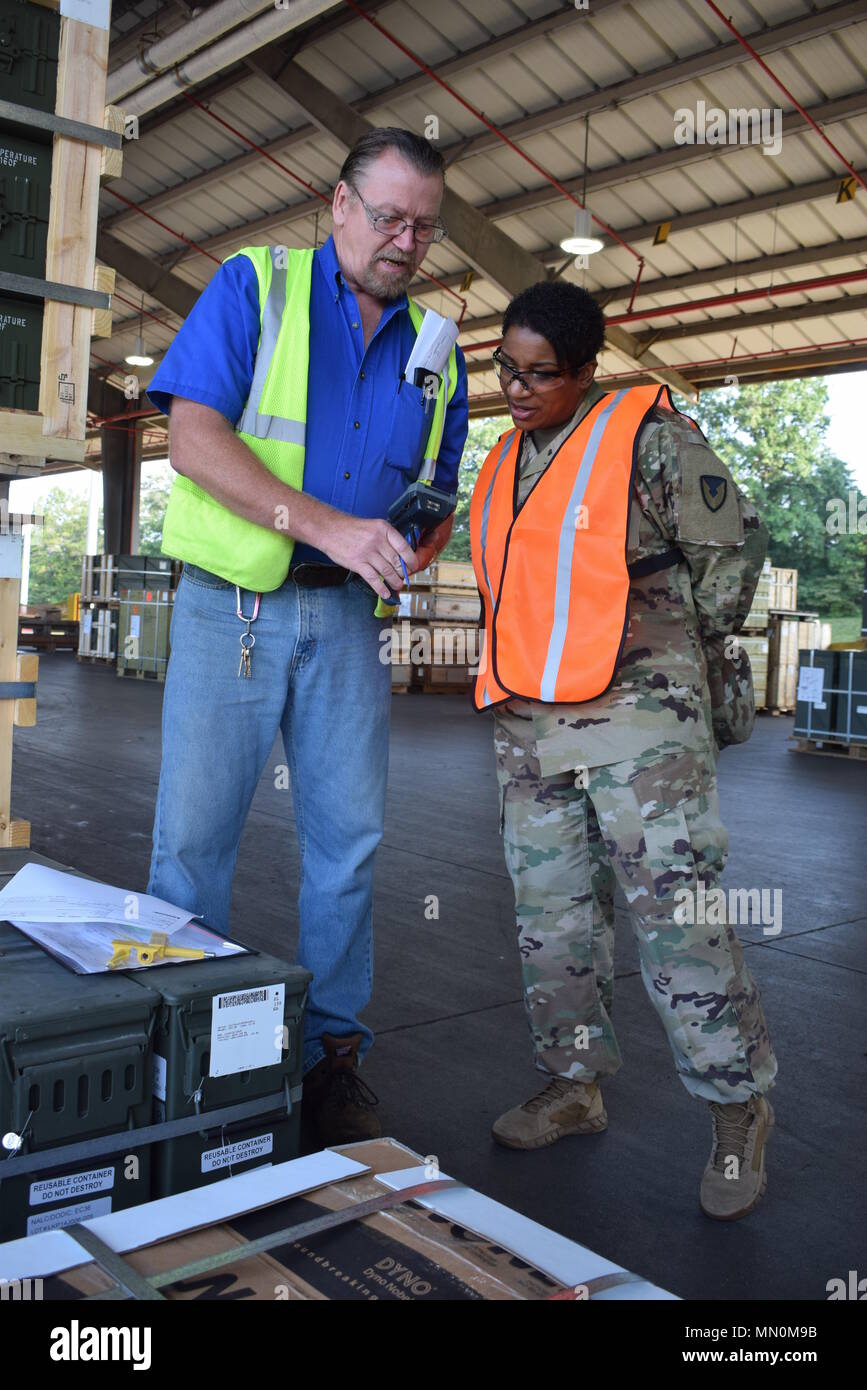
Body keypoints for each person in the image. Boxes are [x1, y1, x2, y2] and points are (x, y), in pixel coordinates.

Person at [145, 127, 468, 1146]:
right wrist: (326, 524)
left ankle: (333, 1062)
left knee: (348, 850)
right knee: (194, 847)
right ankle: (178, 1056)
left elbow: (436, 494)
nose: (406, 239)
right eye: (388, 216)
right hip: (230, 610)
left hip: (345, 624)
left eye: (424, 224)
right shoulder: (258, 287)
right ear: (338, 205)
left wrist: (412, 546)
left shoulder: (437, 351)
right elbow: (191, 438)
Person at [469, 280, 777, 1220]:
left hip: (639, 723)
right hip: (529, 718)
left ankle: (737, 1109)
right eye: (505, 369)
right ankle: (572, 1084)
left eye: (540, 375)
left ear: (586, 371)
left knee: (675, 916)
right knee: (552, 917)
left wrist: (677, 648)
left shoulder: (648, 438)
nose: (519, 390)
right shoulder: (507, 457)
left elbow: (734, 549)